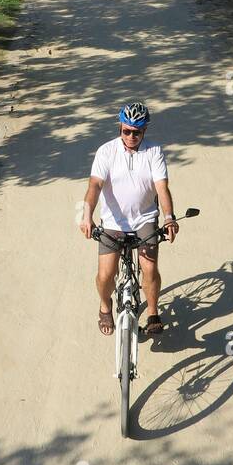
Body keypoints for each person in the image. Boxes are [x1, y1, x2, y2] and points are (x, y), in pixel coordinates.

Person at [79, 102, 178, 338]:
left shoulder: (154, 152)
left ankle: (153, 312)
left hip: (144, 220)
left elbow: (162, 188)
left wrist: (169, 217)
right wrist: (86, 215)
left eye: (137, 132)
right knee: (105, 275)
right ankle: (105, 306)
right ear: (120, 128)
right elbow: (95, 185)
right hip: (113, 223)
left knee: (149, 268)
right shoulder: (106, 151)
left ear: (144, 131)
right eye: (126, 131)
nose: (131, 136)